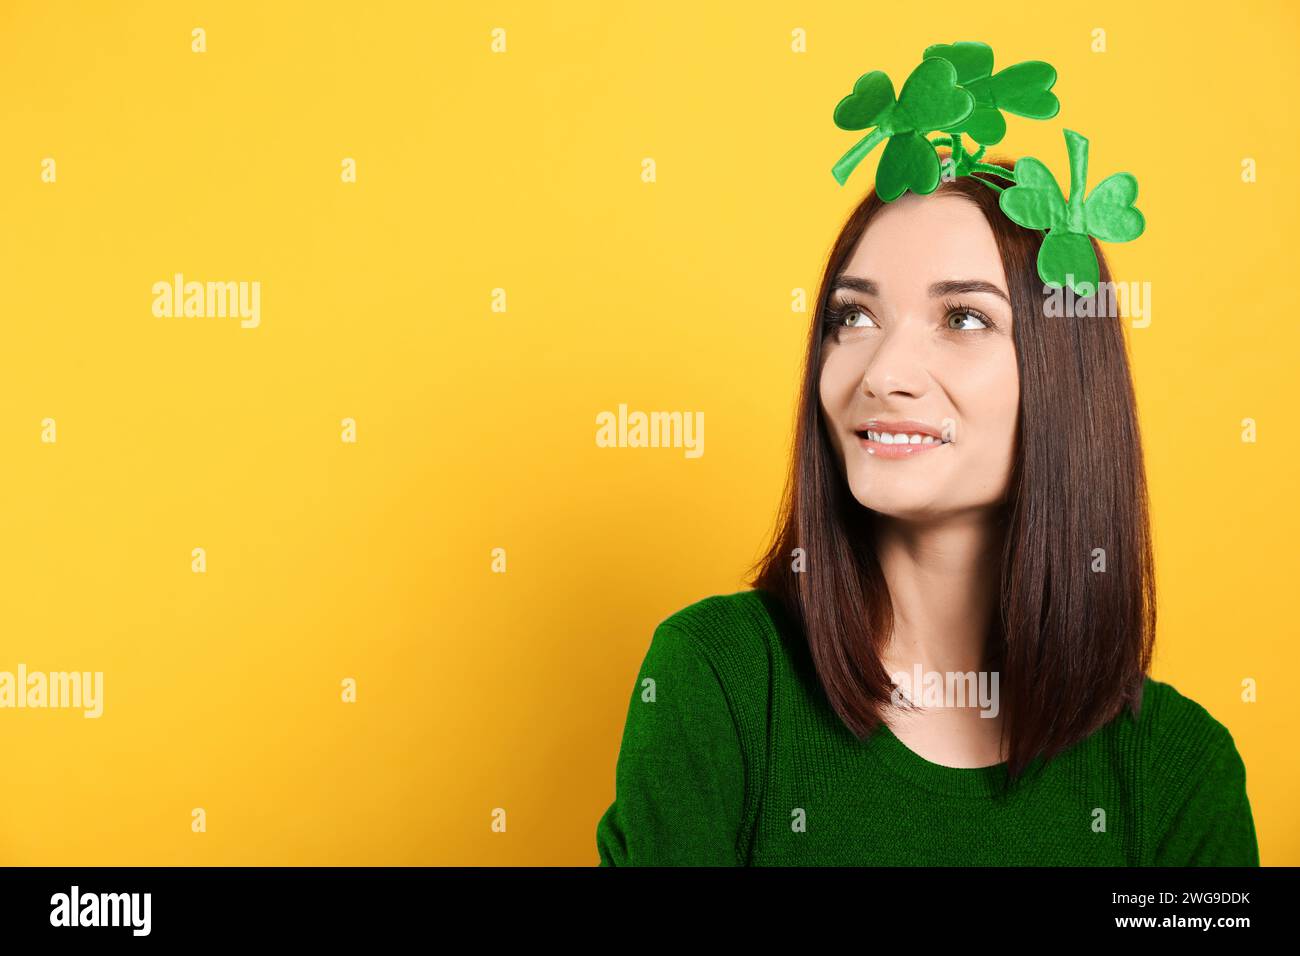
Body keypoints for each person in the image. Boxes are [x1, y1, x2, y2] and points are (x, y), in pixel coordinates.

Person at [594, 161, 1260, 866]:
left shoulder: (1178, 774)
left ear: (1065, 372)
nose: (882, 373)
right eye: (853, 316)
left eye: (963, 317)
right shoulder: (717, 683)